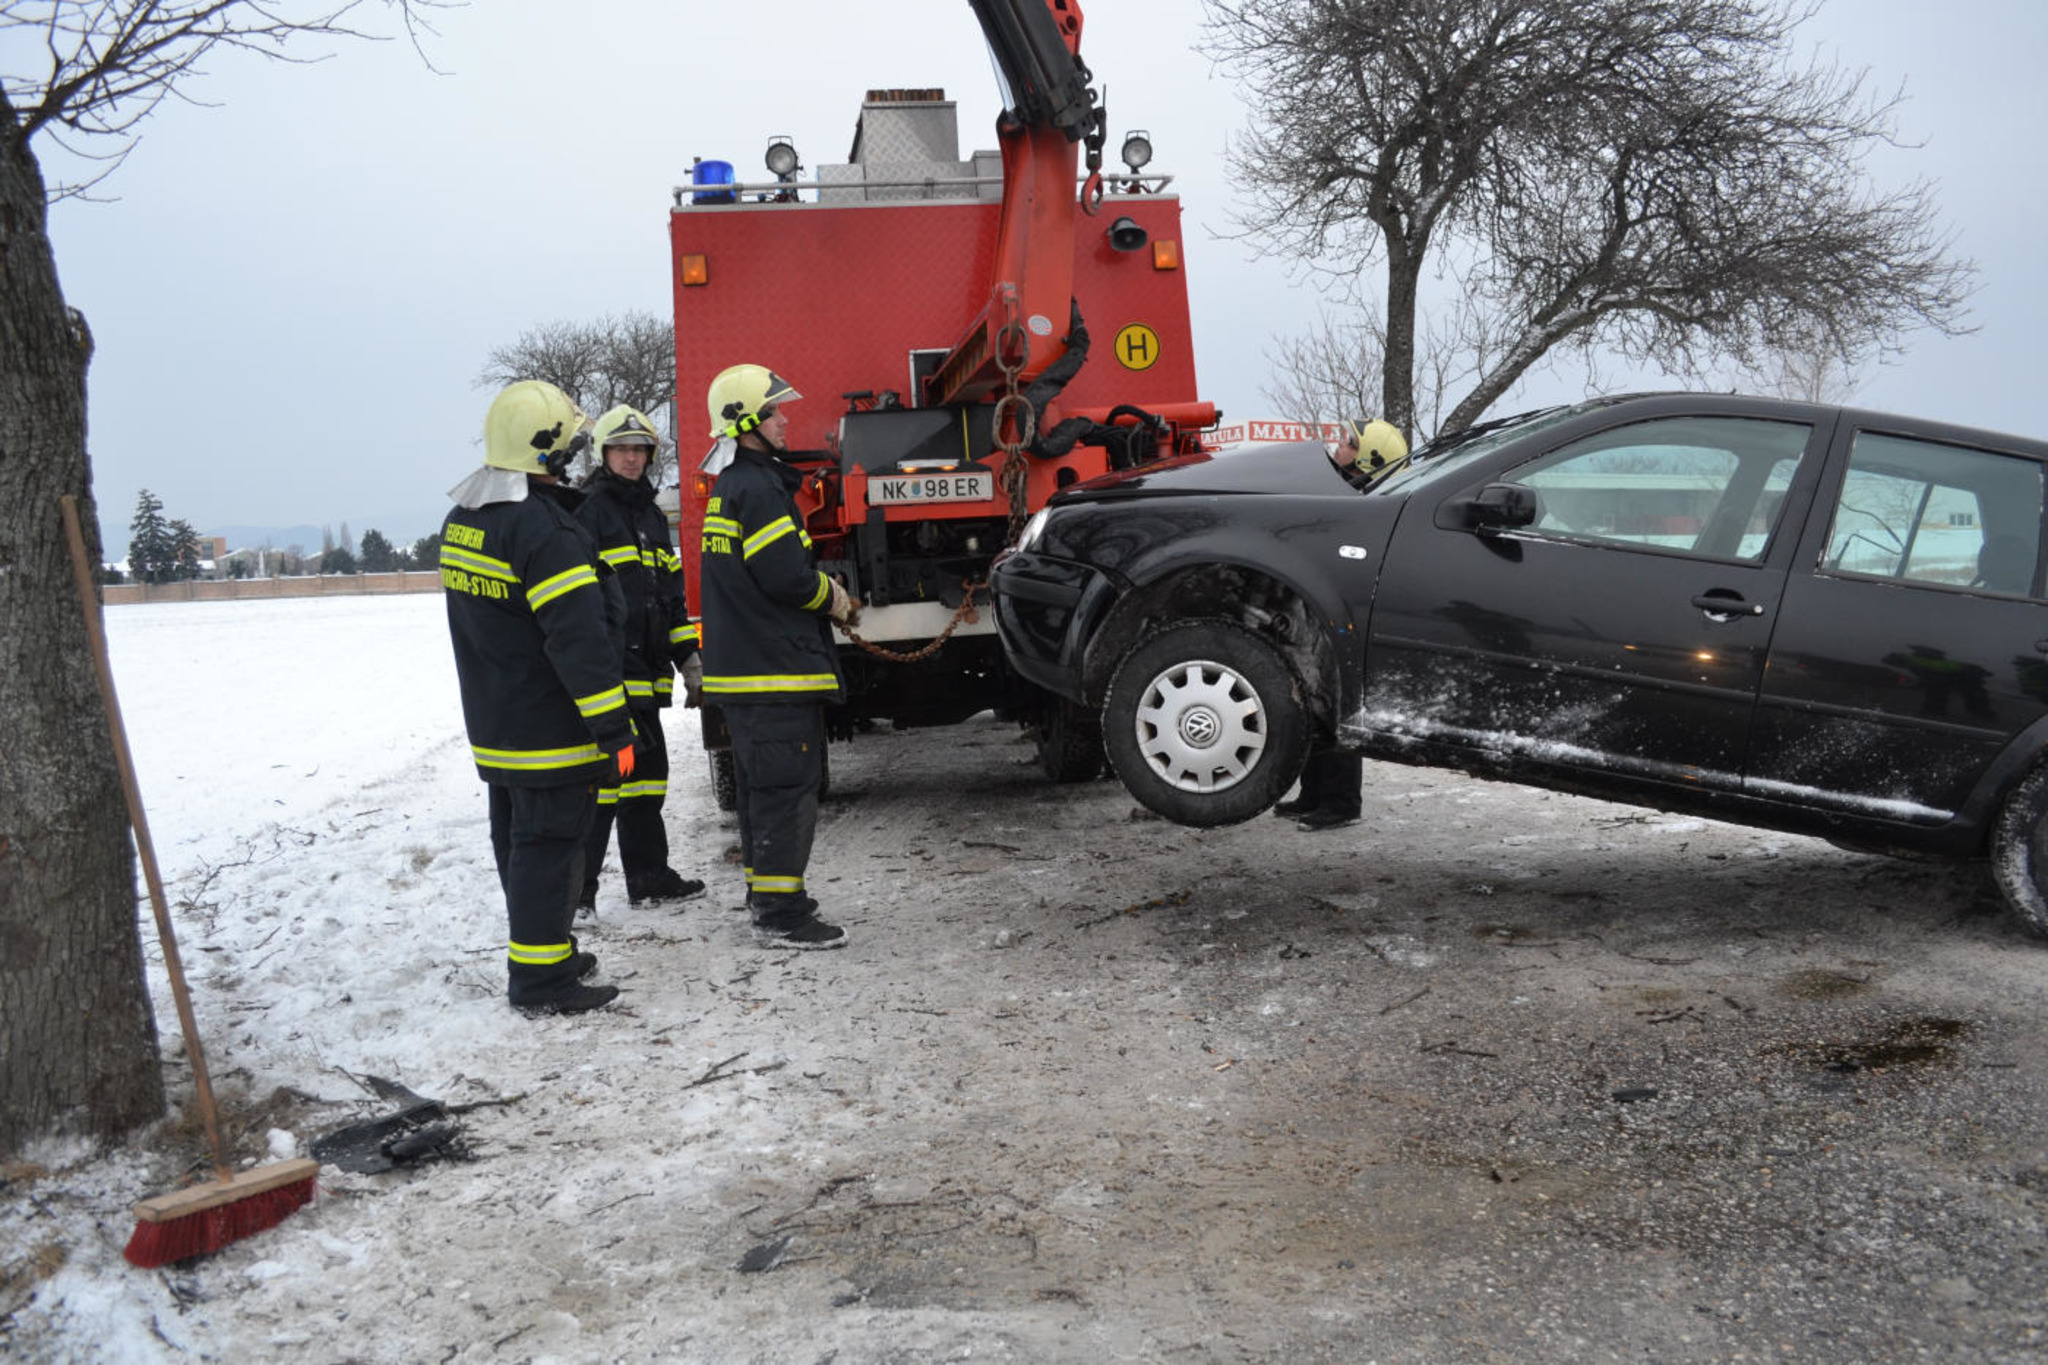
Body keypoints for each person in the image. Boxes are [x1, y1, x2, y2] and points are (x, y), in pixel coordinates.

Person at [441, 380, 634, 1014]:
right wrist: (614, 728)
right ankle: (542, 980)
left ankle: (546, 948)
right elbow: (577, 638)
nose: (576, 455)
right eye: (571, 444)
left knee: (519, 844)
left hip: (499, 722)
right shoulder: (543, 530)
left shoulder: (465, 519)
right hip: (551, 727)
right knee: (551, 847)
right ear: (543, 450)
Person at [696, 363, 855, 949]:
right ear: (746, 423)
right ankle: (782, 914)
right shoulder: (760, 489)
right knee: (788, 788)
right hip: (774, 671)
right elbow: (785, 577)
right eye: (774, 412)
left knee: (764, 788)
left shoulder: (733, 486)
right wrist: (833, 598)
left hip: (746, 674)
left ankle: (766, 894)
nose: (786, 419)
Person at [573, 405, 707, 914]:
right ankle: (578, 895)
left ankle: (649, 878)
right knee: (606, 786)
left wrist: (687, 657)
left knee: (648, 780)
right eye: (621, 450)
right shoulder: (587, 512)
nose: (631, 459)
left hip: (647, 678)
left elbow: (668, 597)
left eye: (639, 450)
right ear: (603, 454)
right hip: (610, 678)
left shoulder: (651, 514)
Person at [1279, 419, 1413, 832]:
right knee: (1312, 702)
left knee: (1334, 706)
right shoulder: (1342, 489)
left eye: (1349, 443)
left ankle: (1340, 802)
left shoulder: (1361, 501)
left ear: (1369, 460)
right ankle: (1315, 792)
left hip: (1341, 616)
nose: (1339, 446)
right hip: (1319, 610)